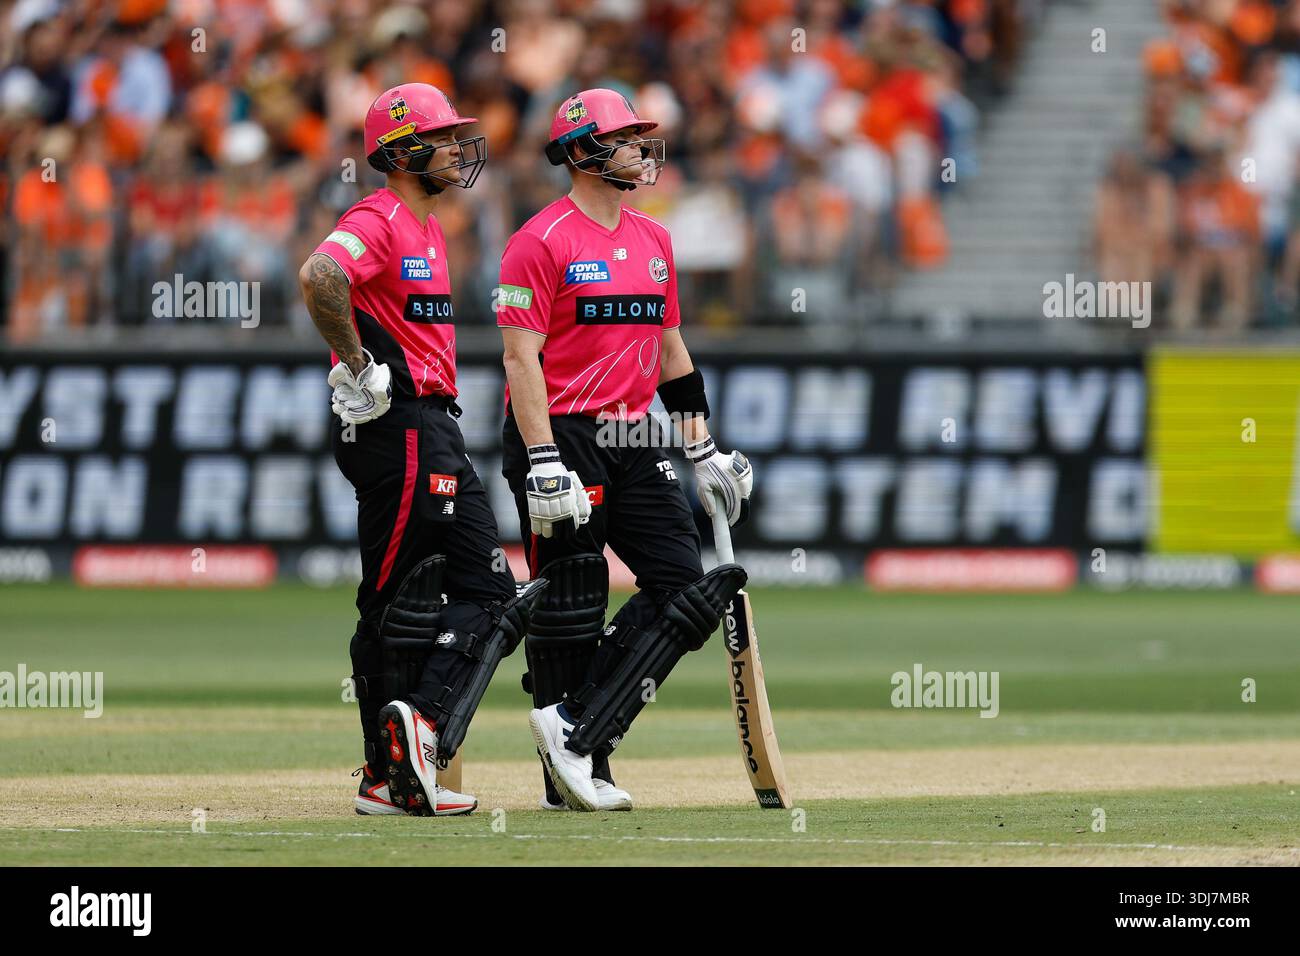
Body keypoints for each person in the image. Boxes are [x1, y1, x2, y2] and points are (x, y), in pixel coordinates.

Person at [496, 89, 754, 811]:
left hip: (635, 433)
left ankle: (575, 729)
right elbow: (521, 361)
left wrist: (701, 449)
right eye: (627, 139)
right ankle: (574, 772)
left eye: (644, 138)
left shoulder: (655, 239)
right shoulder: (539, 240)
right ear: (582, 152)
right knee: (570, 611)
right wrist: (542, 457)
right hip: (562, 431)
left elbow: (671, 352)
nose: (644, 151)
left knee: (682, 586)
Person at [298, 83, 544, 817]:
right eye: (441, 139)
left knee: (492, 592)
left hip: (435, 425)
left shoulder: (431, 228)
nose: (455, 152)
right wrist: (355, 363)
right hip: (396, 422)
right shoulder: (378, 217)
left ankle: (421, 731)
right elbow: (320, 276)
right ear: (403, 152)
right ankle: (385, 774)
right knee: (394, 601)